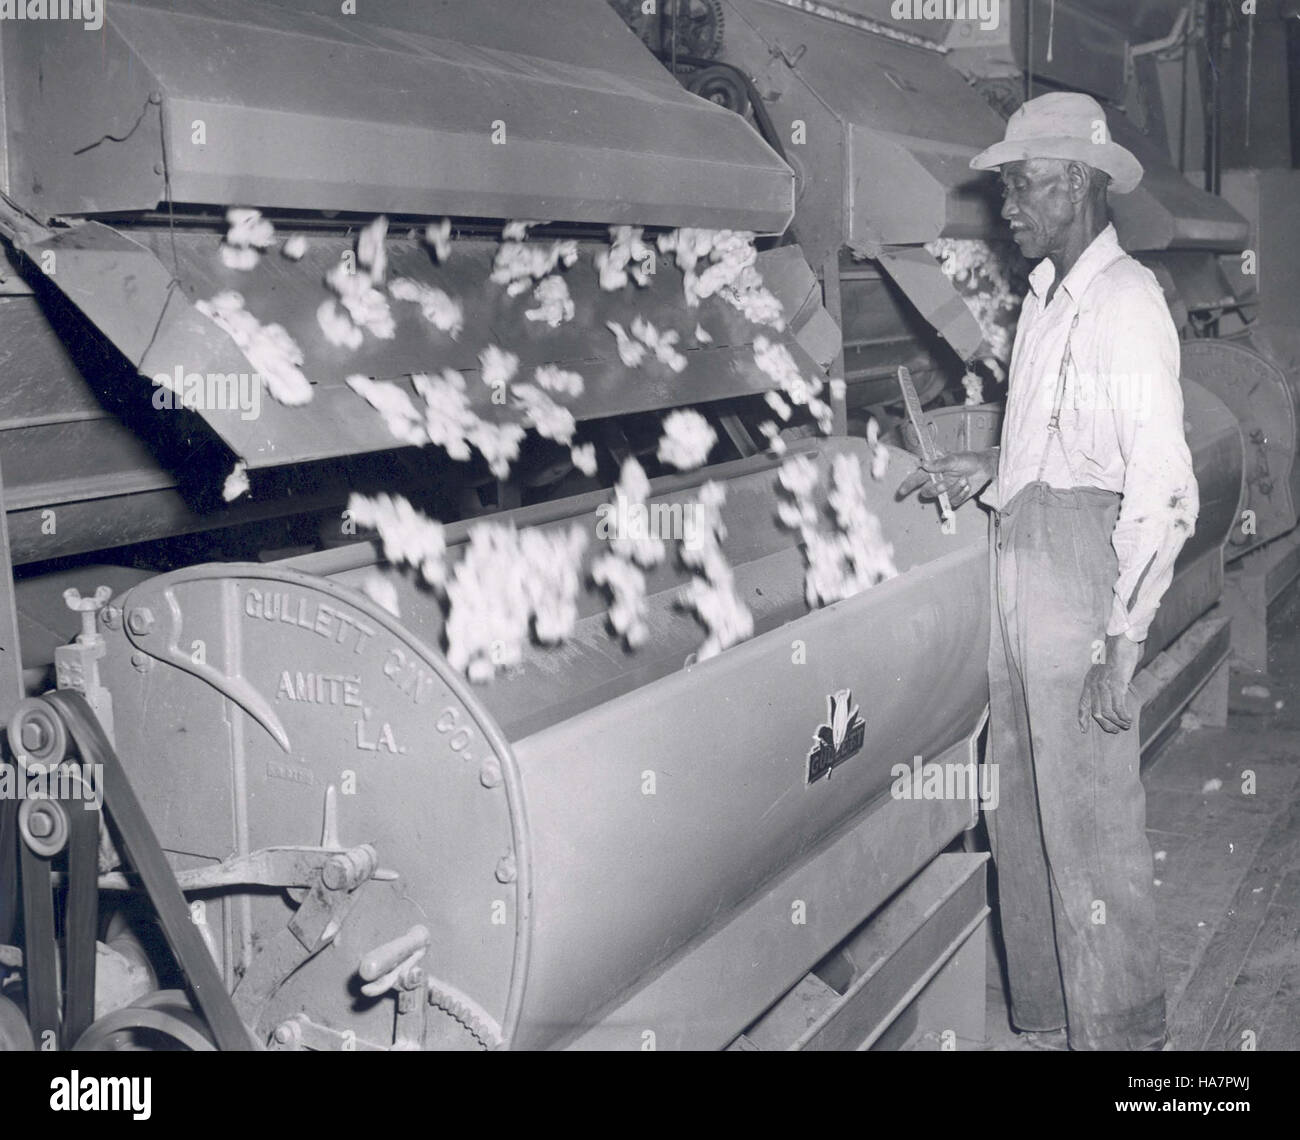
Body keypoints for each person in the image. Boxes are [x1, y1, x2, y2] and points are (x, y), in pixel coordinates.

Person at [898, 92, 1199, 1050]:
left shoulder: (1124, 303)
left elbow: (1161, 483)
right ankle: (1044, 1017)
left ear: (1075, 182)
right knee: (1019, 809)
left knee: (1092, 824)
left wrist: (1125, 635)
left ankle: (1123, 1042)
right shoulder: (1044, 300)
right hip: (1021, 552)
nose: (1007, 209)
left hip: (1079, 574)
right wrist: (991, 471)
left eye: (1022, 188)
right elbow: (1064, 446)